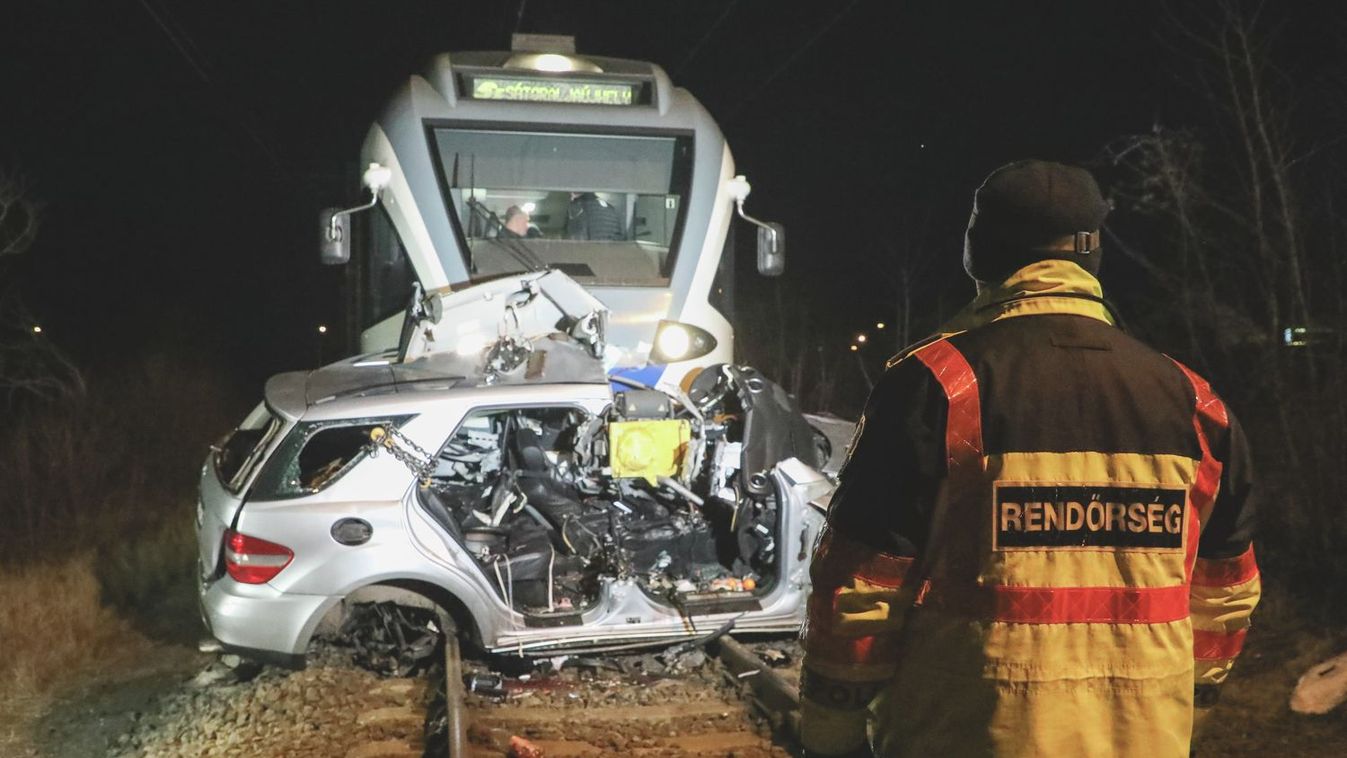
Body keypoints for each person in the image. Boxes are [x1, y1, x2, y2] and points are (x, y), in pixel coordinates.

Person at [800, 160, 1260, 758]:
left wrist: (831, 736)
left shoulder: (938, 386)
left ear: (979, 253)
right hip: (1146, 739)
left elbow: (860, 588)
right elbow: (1225, 593)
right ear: (1091, 256)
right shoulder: (1196, 403)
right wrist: (1183, 715)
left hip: (963, 735)